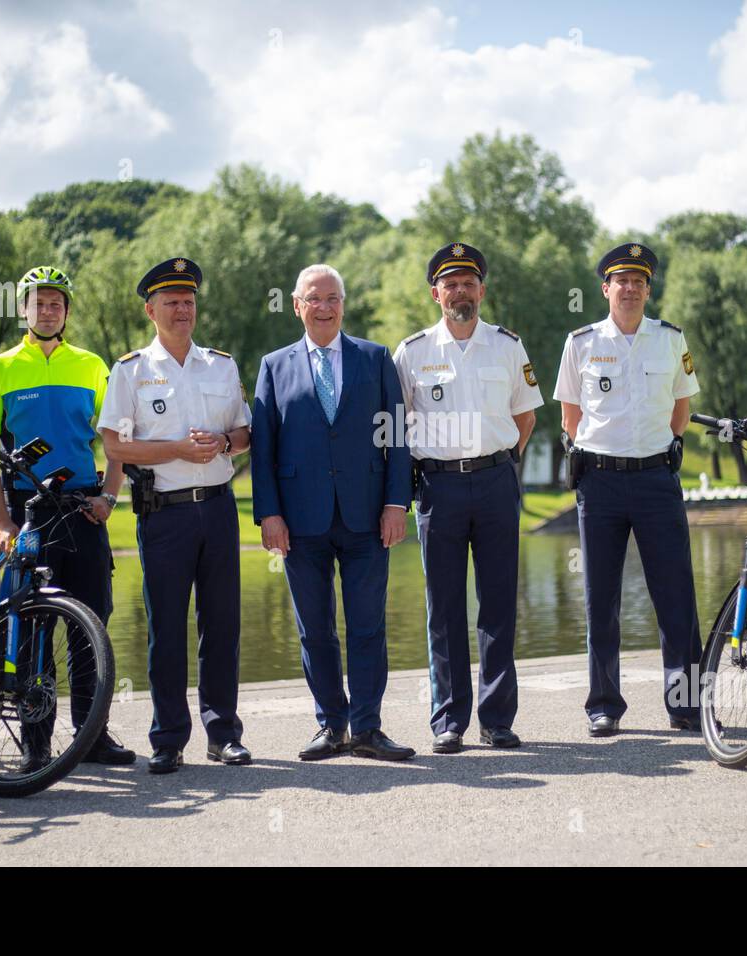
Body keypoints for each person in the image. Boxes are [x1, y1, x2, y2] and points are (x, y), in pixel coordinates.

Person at [0, 266, 133, 769]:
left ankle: (92, 736)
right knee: (35, 626)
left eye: (56, 303)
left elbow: (117, 438)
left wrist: (109, 495)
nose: (48, 310)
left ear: (66, 312)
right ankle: (36, 744)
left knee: (92, 625)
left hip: (82, 508)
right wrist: (1, 524)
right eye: (38, 302)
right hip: (26, 509)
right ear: (23, 309)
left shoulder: (90, 365)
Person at [252, 263, 415, 761]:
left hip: (368, 516)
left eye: (332, 298)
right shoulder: (274, 366)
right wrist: (269, 514)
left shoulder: (375, 358)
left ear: (343, 305)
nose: (324, 307)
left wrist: (395, 502)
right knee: (315, 629)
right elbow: (263, 447)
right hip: (300, 523)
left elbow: (396, 434)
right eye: (313, 299)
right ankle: (331, 725)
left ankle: (367, 727)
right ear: (297, 306)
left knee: (368, 626)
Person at [99, 257, 252, 774]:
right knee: (166, 628)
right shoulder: (131, 371)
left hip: (217, 507)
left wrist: (223, 442)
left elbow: (245, 434)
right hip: (163, 516)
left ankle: (223, 733)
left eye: (188, 301)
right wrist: (176, 451)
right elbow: (116, 446)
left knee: (222, 624)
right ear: (151, 310)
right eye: (171, 302)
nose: (182, 309)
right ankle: (167, 738)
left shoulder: (222, 365)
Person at [392, 242, 542, 753]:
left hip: (497, 482)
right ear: (436, 293)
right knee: (445, 607)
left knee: (499, 603)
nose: (461, 291)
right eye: (450, 283)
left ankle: (497, 718)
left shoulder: (506, 345)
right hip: (439, 487)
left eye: (468, 282)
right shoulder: (411, 353)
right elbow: (397, 425)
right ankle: (448, 720)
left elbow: (526, 416)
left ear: (482, 289)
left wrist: (499, 461)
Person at [553, 242, 703, 736]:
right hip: (599, 485)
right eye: (622, 281)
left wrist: (666, 447)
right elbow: (570, 418)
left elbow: (681, 410)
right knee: (601, 598)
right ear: (606, 288)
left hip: (657, 479)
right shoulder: (580, 342)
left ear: (647, 289)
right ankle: (604, 705)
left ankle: (685, 704)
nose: (631, 289)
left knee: (676, 595)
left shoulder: (671, 340)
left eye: (639, 281)